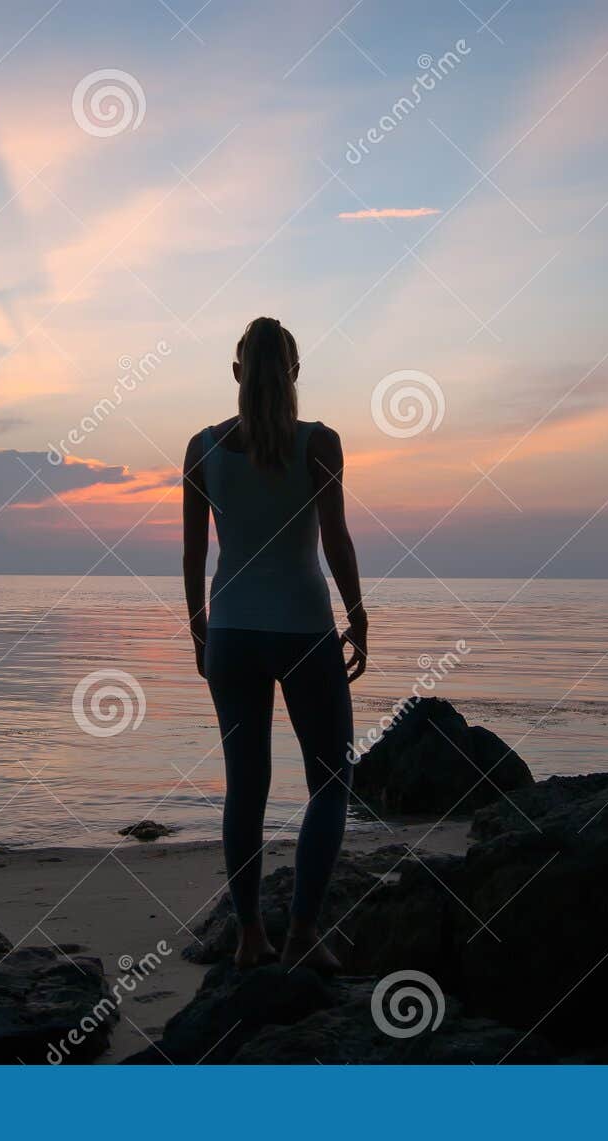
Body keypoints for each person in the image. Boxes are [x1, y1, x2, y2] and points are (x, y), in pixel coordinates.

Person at [181, 316, 369, 973]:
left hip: (232, 630)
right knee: (329, 784)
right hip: (304, 628)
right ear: (294, 372)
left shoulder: (202, 446)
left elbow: (193, 550)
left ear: (237, 373)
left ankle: (250, 934)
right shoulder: (321, 442)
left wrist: (198, 625)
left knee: (246, 787)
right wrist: (358, 613)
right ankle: (302, 934)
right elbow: (337, 540)